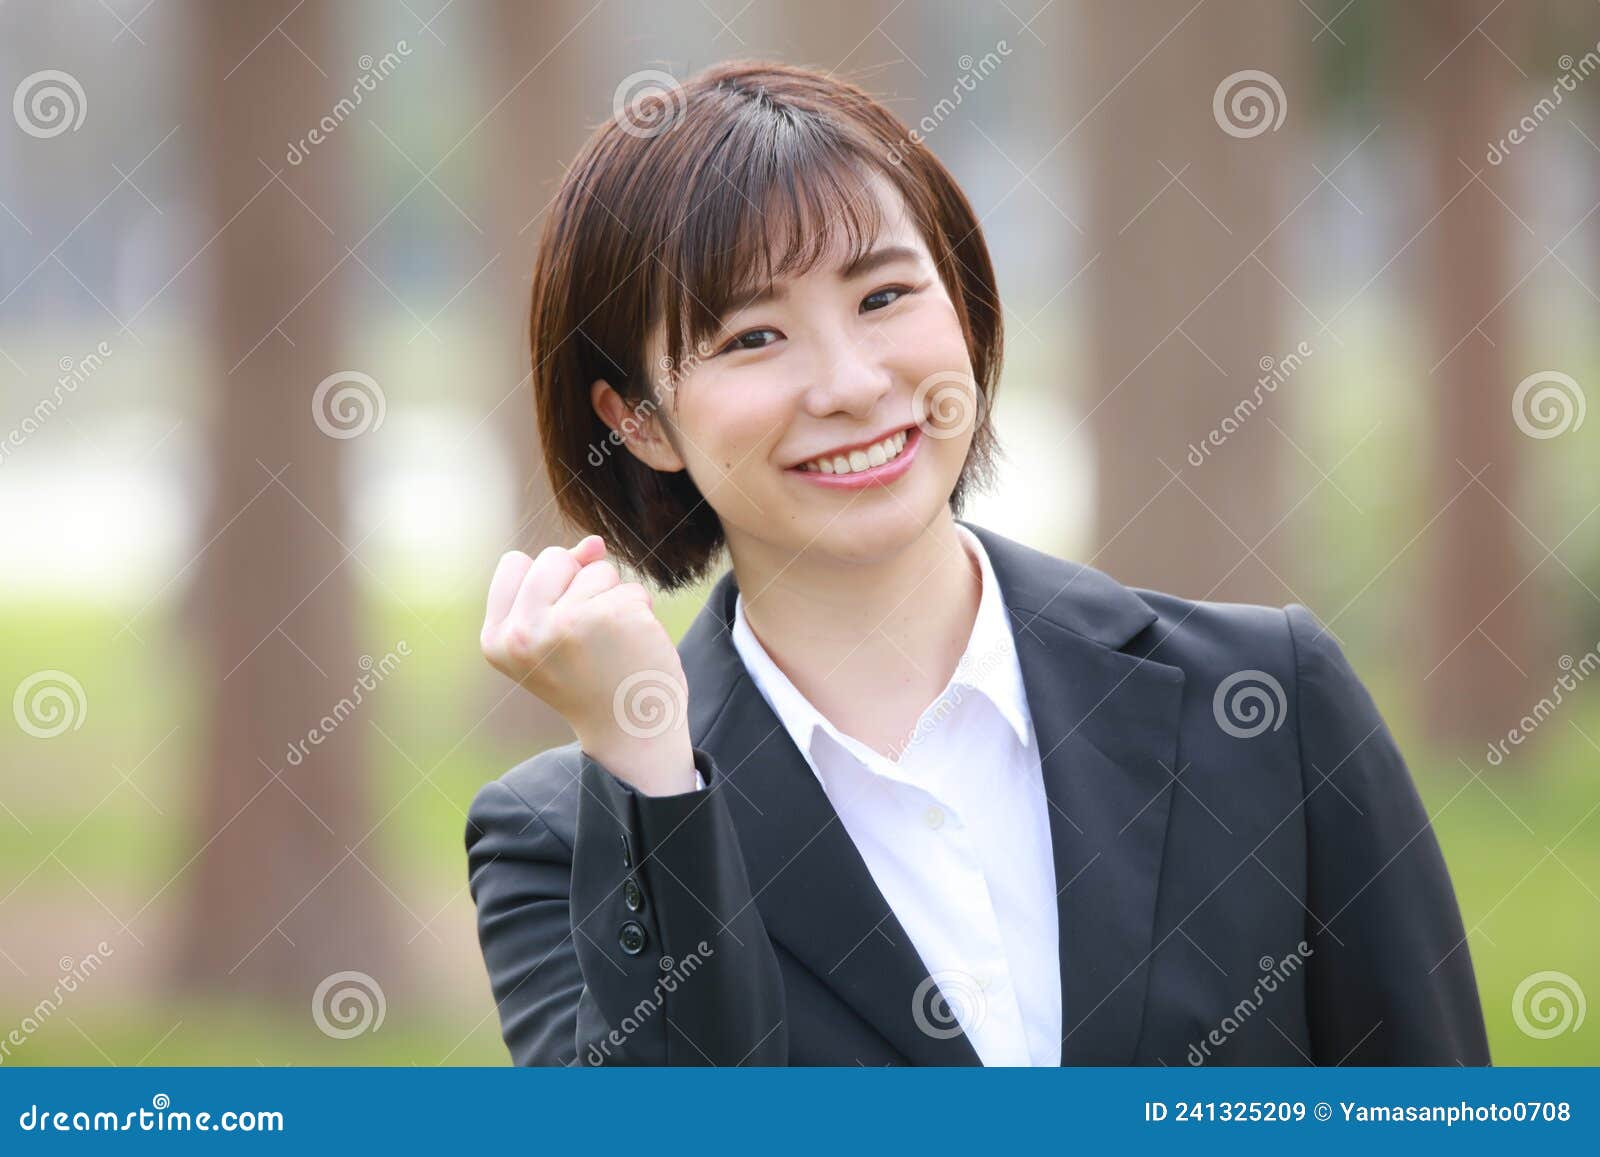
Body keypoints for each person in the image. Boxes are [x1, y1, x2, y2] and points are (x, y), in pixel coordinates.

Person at [465, 59, 1490, 1067]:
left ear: (961, 302)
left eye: (882, 297)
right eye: (752, 336)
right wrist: (648, 761)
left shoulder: (1268, 702)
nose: (851, 383)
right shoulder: (559, 844)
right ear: (638, 421)